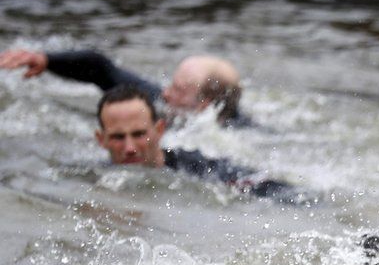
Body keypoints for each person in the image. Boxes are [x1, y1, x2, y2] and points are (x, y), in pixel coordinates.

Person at [93, 84, 304, 202]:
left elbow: (279, 190)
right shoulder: (91, 176)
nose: (129, 148)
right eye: (118, 138)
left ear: (159, 130)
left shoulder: (201, 169)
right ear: (101, 140)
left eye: (139, 134)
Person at [0, 48, 249, 127]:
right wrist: (47, 60)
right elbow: (102, 69)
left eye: (178, 90)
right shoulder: (158, 102)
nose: (165, 93)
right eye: (170, 84)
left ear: (204, 104)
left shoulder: (238, 137)